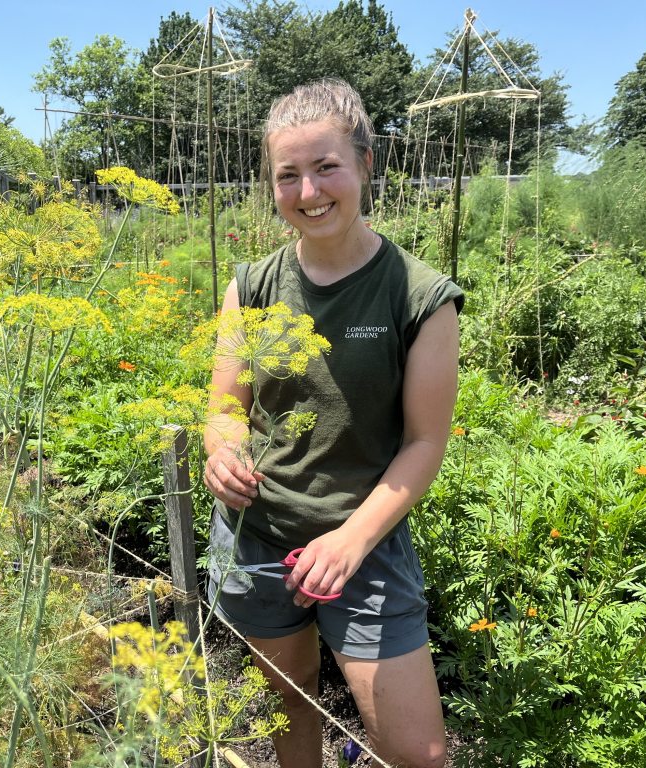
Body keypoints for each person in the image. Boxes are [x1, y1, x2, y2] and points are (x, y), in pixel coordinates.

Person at [203, 78, 463, 768]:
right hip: (259, 538)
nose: (309, 192)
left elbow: (424, 442)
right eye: (289, 175)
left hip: (364, 542)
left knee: (420, 753)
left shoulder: (418, 295)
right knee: (291, 701)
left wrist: (350, 540)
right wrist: (222, 450)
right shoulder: (252, 286)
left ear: (366, 165)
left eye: (326, 168)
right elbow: (225, 405)